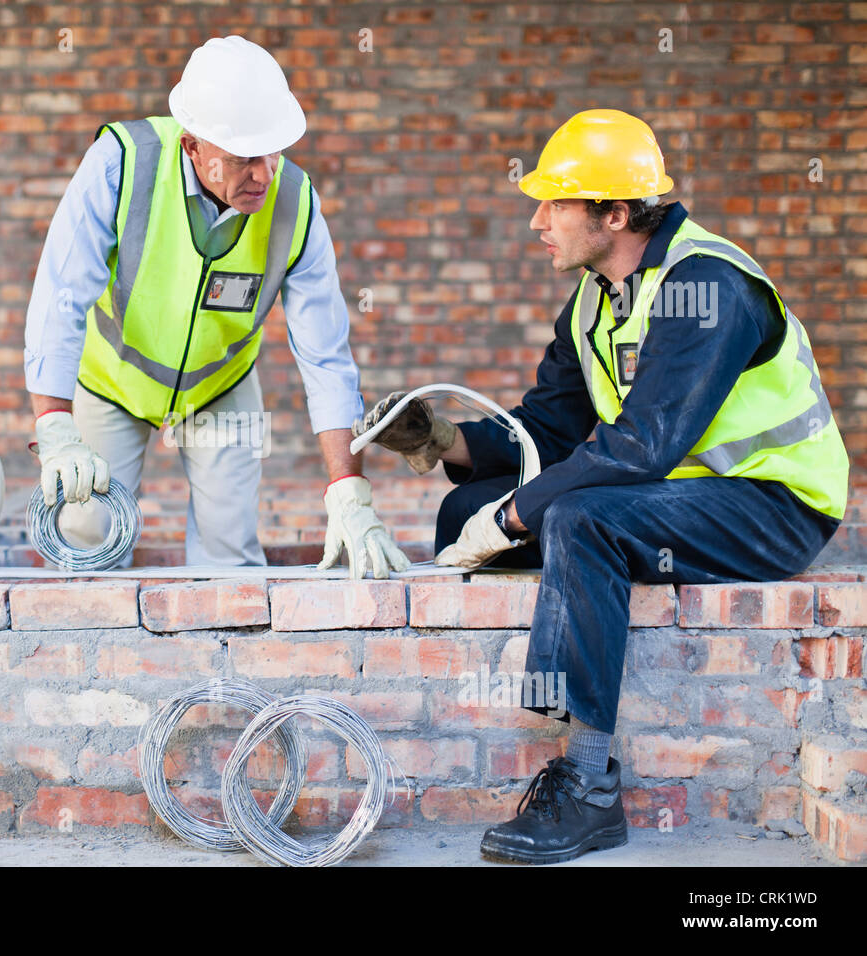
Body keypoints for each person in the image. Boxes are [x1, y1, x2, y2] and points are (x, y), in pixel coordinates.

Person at [356, 109, 849, 863]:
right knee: (464, 509)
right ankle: (469, 702)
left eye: (556, 203)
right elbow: (547, 433)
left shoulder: (707, 286)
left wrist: (519, 515)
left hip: (773, 506)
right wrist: (445, 442)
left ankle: (588, 788)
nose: (537, 222)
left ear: (616, 213)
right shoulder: (594, 300)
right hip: (667, 503)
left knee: (578, 519)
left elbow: (644, 447)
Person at [24, 35, 408, 577]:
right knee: (87, 545)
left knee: (231, 557)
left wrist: (350, 490)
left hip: (222, 386)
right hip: (112, 381)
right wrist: (56, 429)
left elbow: (326, 357)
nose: (265, 174)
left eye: (273, 151)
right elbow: (59, 298)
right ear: (192, 148)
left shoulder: (295, 203)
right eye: (244, 158)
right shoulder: (122, 164)